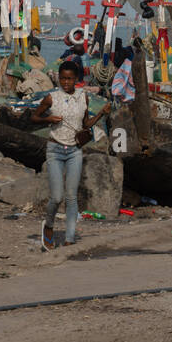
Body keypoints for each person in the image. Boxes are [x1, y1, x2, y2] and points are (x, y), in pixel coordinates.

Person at [30, 61, 111, 250]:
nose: (66, 82)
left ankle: (69, 238)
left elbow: (85, 124)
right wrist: (48, 119)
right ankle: (49, 226)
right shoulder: (51, 98)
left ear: (76, 80)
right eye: (63, 78)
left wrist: (101, 114)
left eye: (70, 79)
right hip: (55, 150)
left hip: (75, 150)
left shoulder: (83, 98)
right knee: (57, 197)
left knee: (71, 197)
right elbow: (34, 117)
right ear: (58, 77)